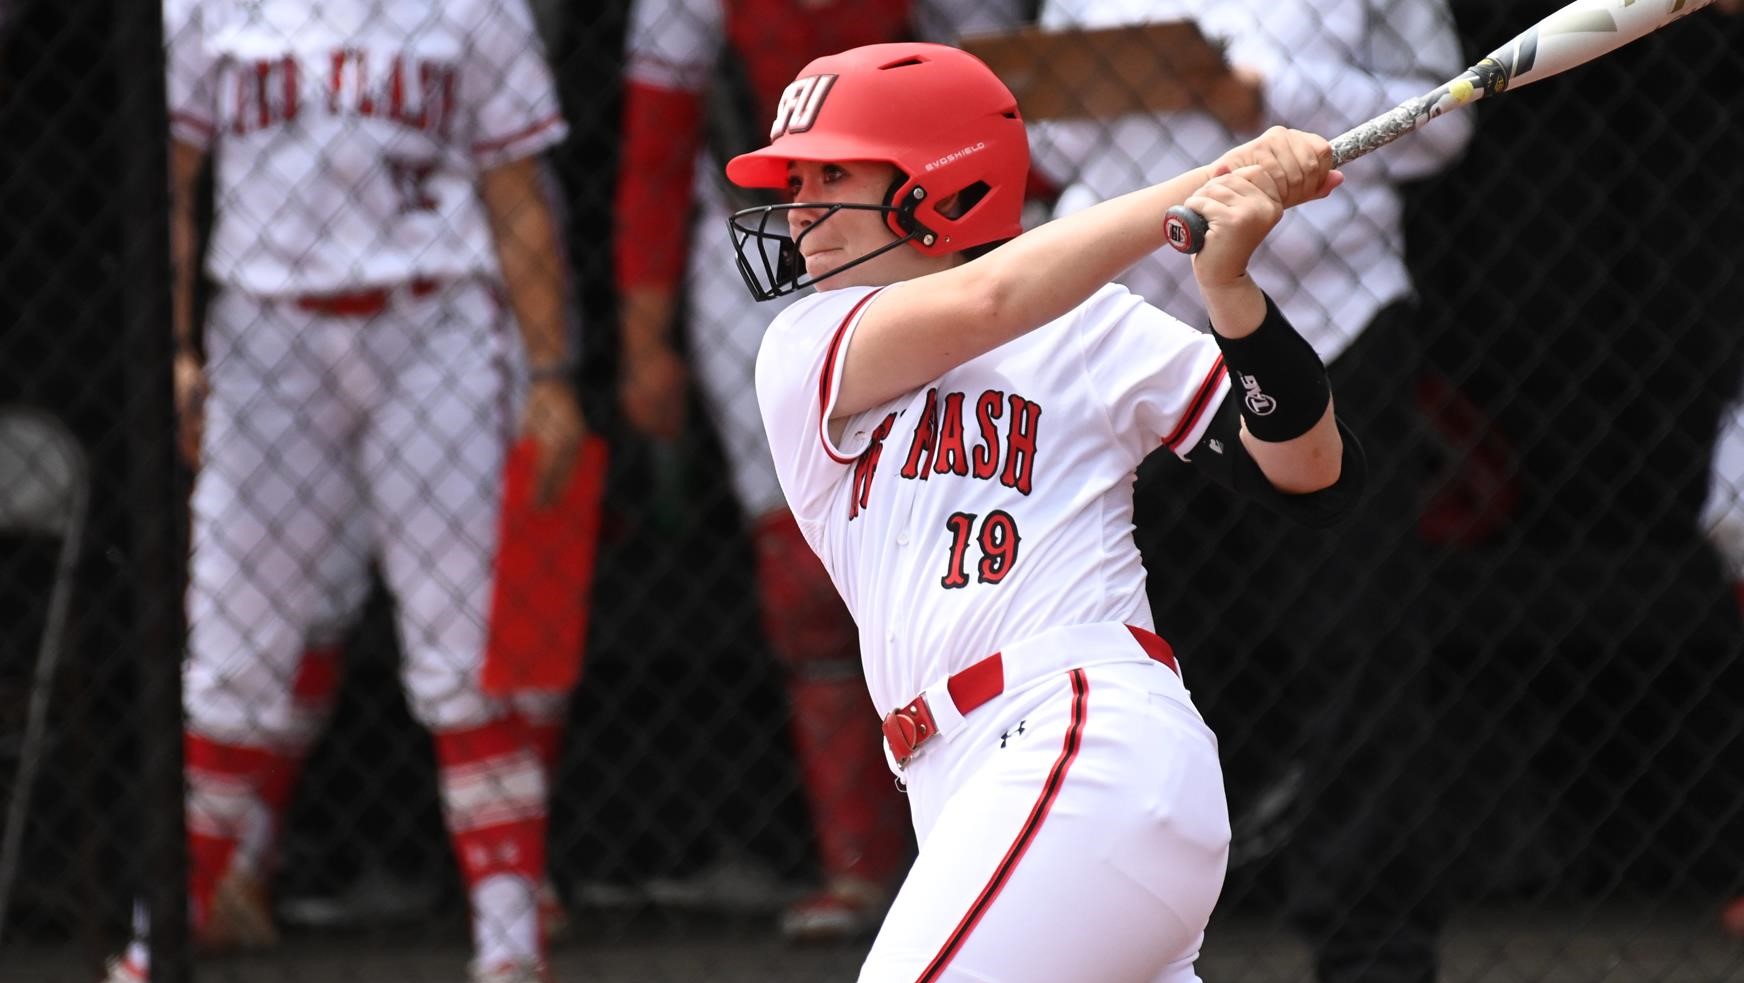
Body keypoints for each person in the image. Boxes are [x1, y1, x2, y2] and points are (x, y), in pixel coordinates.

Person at [726, 41, 1364, 981]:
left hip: (1081, 736)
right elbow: (991, 297)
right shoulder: (807, 347)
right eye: (795, 179)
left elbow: (1310, 474)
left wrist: (1234, 300)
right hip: (964, 786)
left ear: (937, 186)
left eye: (833, 171)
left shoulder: (1089, 326)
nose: (801, 208)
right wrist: (1220, 172)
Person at [111, 0, 586, 979]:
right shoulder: (205, 6)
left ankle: (509, 942)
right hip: (267, 328)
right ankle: (166, 933)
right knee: (235, 650)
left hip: (439, 321)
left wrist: (550, 373)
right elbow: (170, 183)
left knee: (466, 650)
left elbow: (515, 194)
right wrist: (177, 342)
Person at [1024, 2, 1472, 979]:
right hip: (1129, 338)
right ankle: (1124, 948)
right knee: (1136, 659)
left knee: (1359, 647)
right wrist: (1119, 86)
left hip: (1333, 321)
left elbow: (1449, 116)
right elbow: (1046, 144)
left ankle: (1372, 954)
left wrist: (1259, 97)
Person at [613, 0, 1024, 941]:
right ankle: (858, 863)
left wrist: (1006, 250)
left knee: (965, 535)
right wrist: (642, 337)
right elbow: (654, 147)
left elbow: (1011, 88)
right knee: (803, 574)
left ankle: (989, 834)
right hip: (764, 245)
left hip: (935, 231)